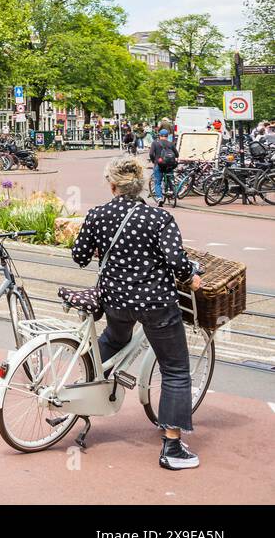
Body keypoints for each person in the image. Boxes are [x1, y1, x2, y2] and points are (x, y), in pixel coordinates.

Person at [71, 155, 202, 471]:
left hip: (114, 300)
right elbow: (176, 261)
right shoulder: (159, 219)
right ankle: (172, 447)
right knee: (174, 368)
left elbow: (79, 256)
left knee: (114, 338)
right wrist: (192, 276)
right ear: (141, 185)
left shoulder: (98, 214)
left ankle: (76, 396)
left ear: (113, 185)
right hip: (155, 302)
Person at [148, 128, 179, 205]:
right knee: (170, 179)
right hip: (169, 165)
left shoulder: (155, 143)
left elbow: (151, 154)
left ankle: (159, 198)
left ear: (159, 135)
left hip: (159, 164)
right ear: (167, 136)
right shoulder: (171, 143)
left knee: (157, 182)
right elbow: (177, 154)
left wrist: (154, 161)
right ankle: (171, 191)